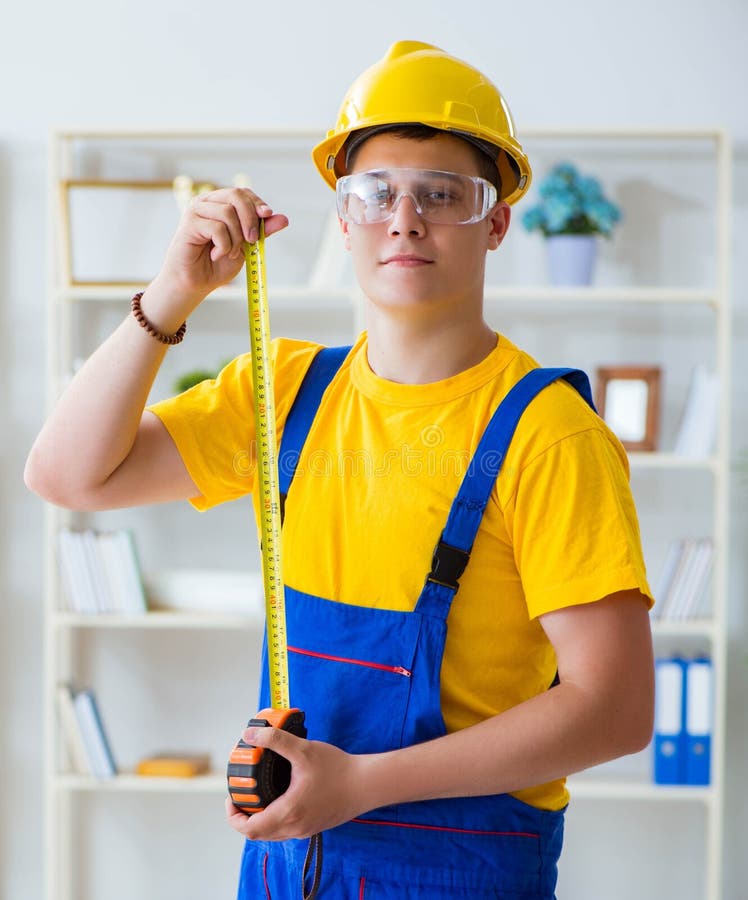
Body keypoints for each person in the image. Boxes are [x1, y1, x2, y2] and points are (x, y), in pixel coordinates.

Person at [26, 40, 655, 900]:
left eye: (444, 195)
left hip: (462, 871)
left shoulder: (549, 435)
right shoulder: (284, 391)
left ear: (497, 222)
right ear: (344, 219)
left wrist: (358, 785)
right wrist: (171, 293)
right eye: (375, 193)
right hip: (288, 860)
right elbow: (67, 475)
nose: (405, 217)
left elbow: (615, 708)